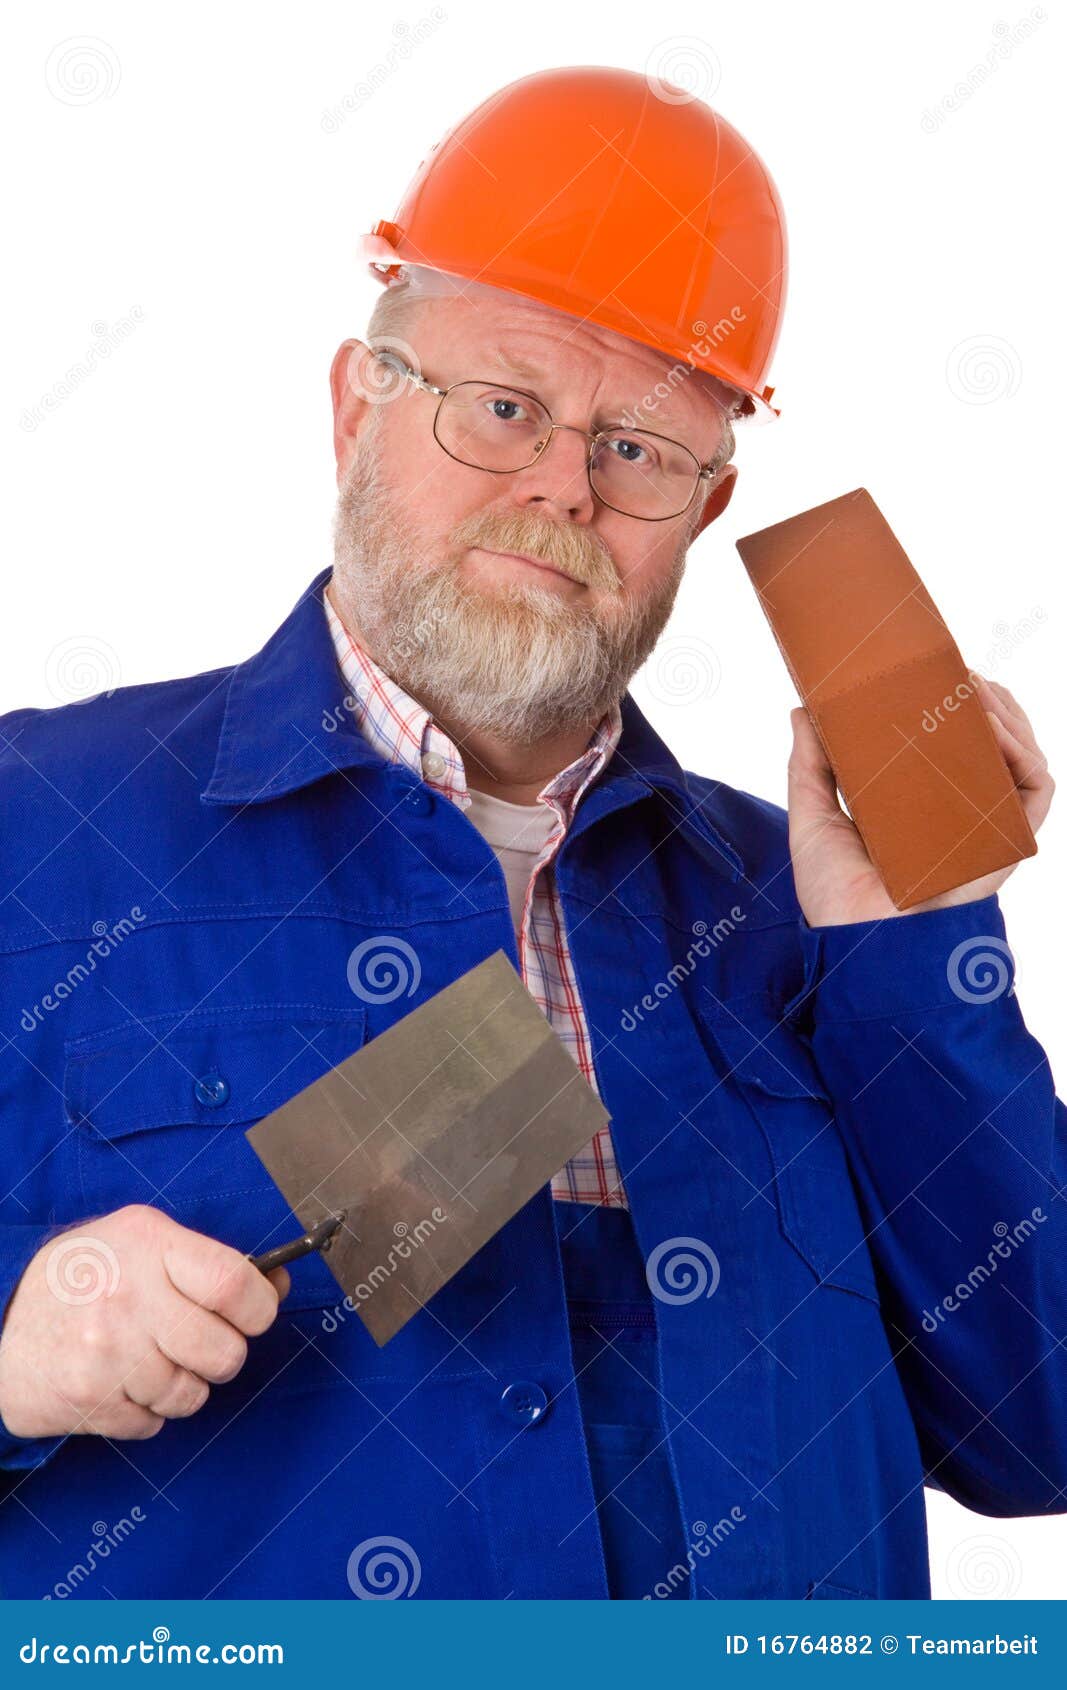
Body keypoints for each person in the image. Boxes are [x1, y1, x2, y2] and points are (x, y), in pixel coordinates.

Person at [0, 65, 1062, 1601]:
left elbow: (1039, 1427)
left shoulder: (798, 913)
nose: (565, 485)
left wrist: (912, 947)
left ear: (703, 512)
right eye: (504, 407)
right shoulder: (39, 828)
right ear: (360, 405)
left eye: (640, 447)